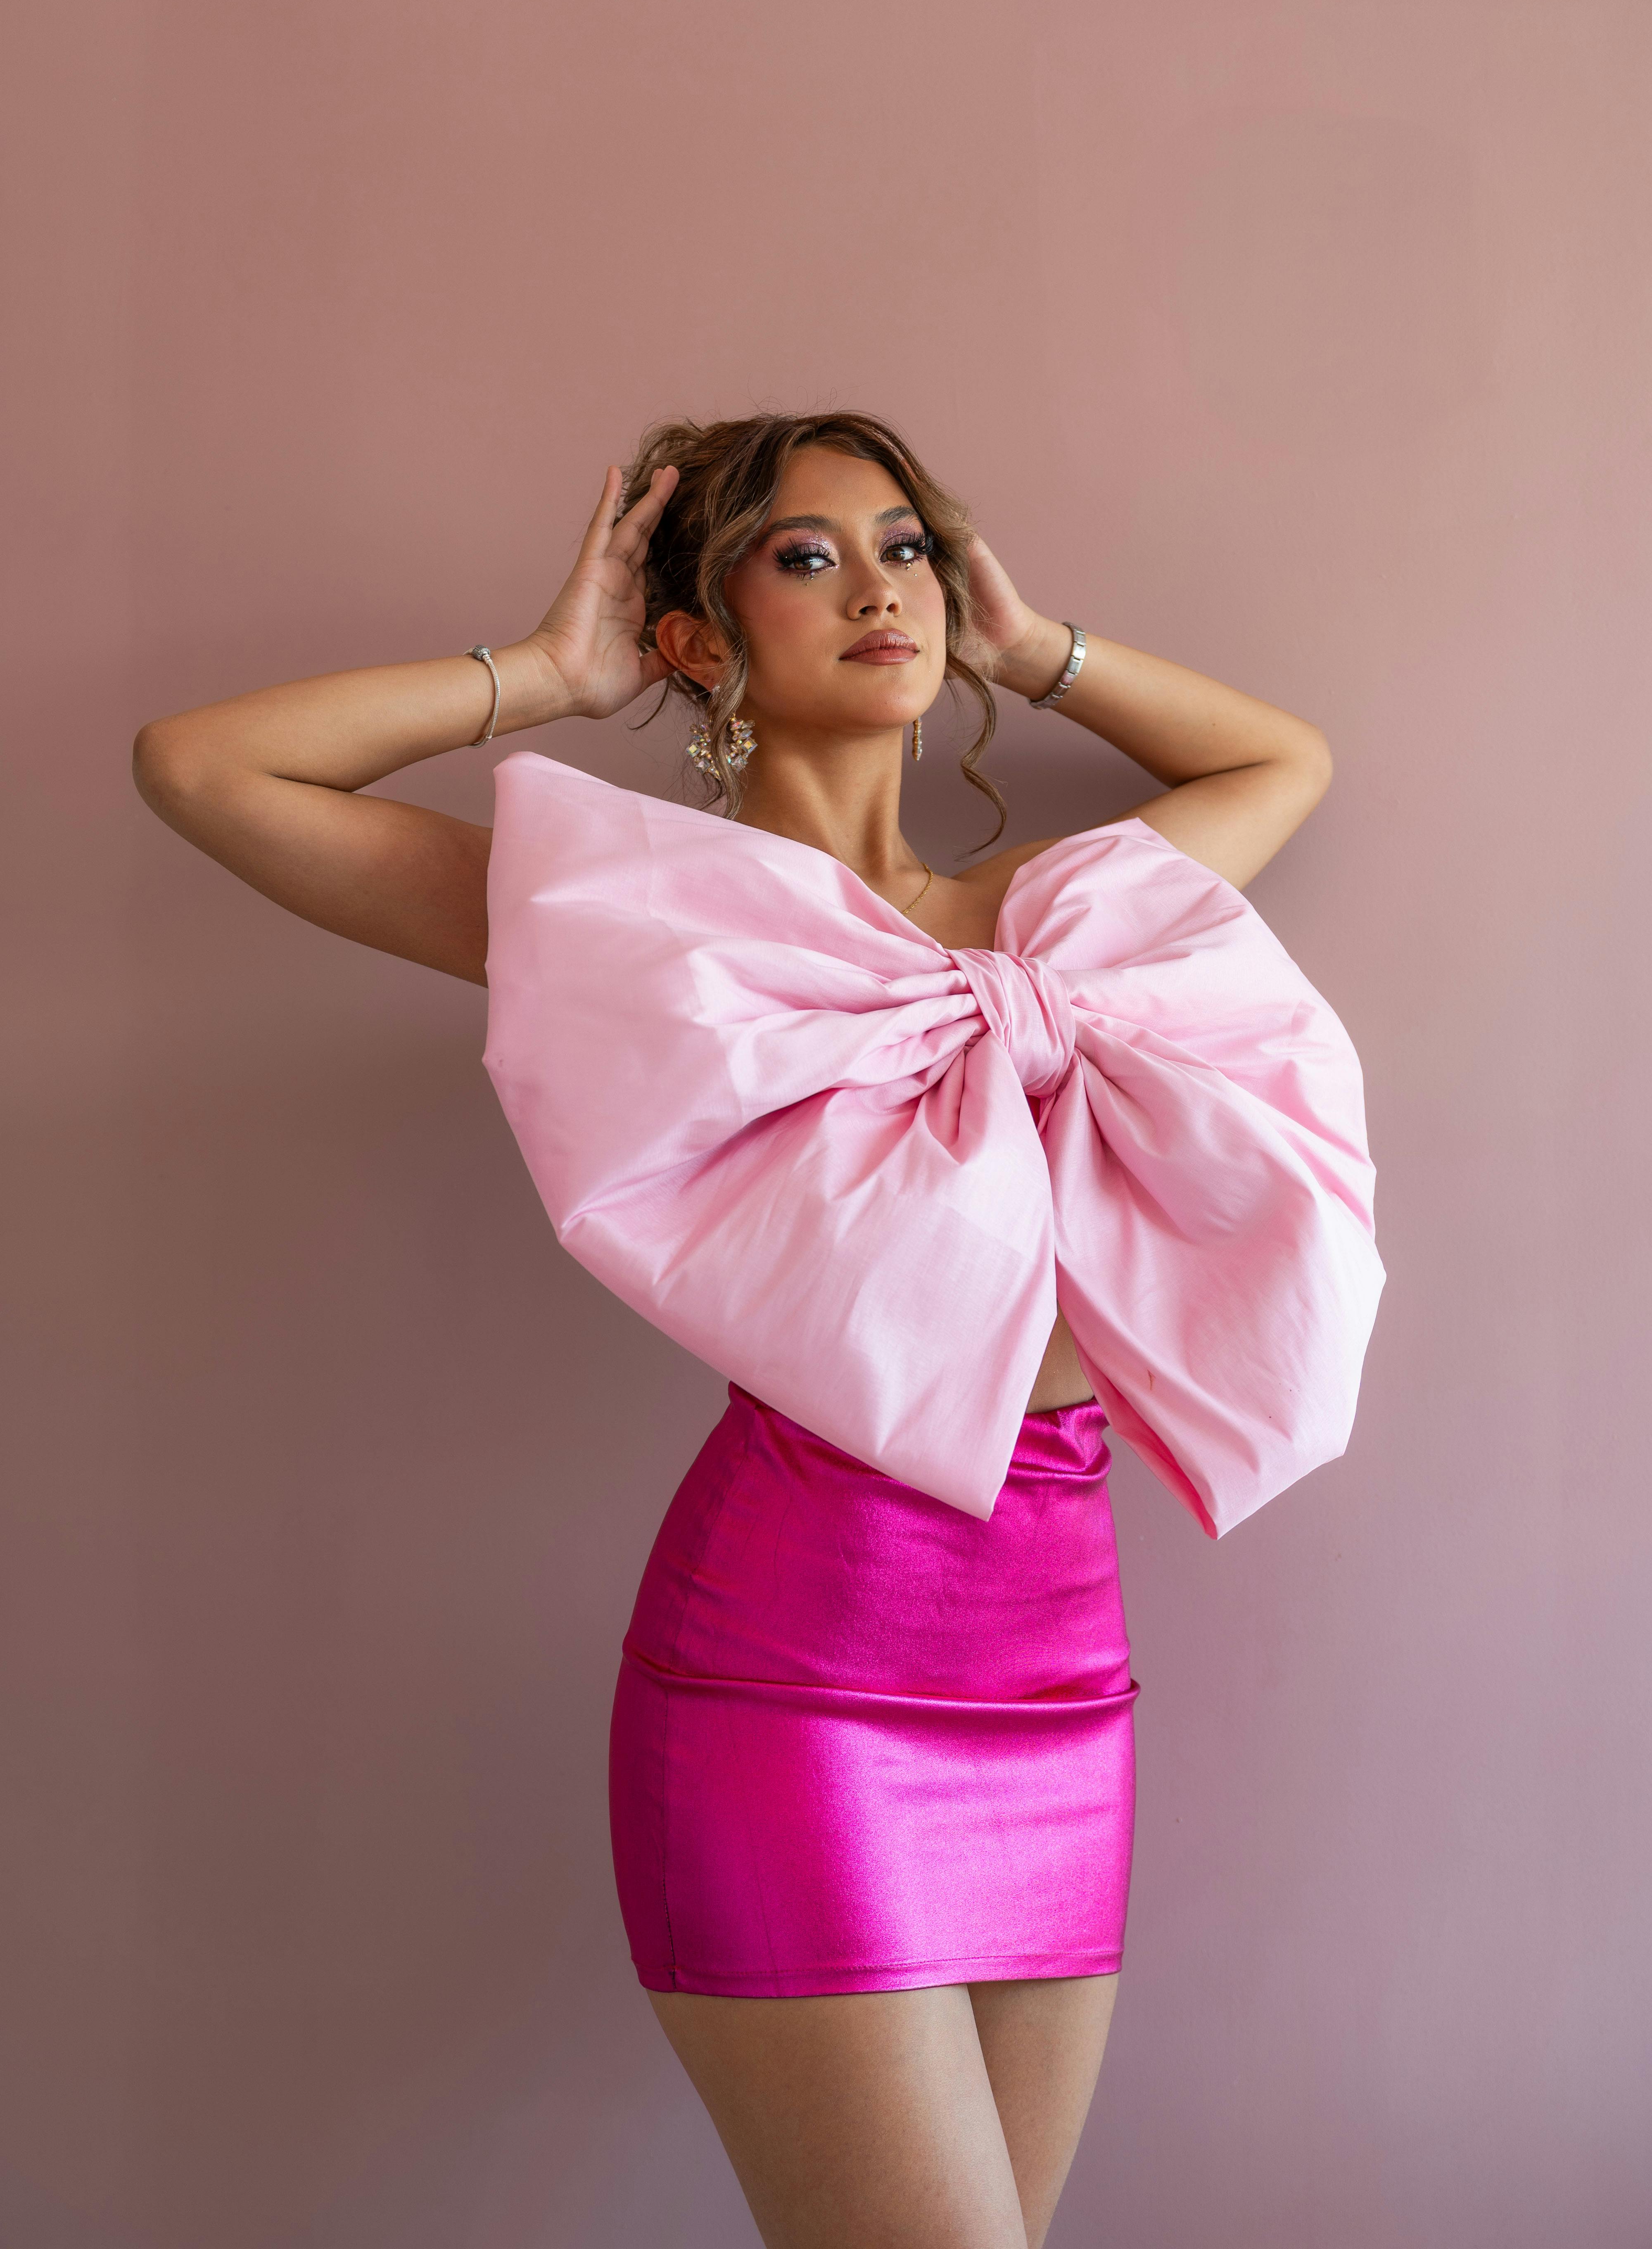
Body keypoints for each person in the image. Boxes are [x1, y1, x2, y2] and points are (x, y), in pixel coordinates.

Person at [134, 411, 1381, 2249]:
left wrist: (1025, 642)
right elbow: (203, 768)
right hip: (794, 1678)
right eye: (808, 556)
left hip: (1063, 1676)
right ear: (700, 638)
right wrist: (549, 675)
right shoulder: (643, 921)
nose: (880, 587)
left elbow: (1288, 757)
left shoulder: (1080, 917)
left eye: (905, 549)